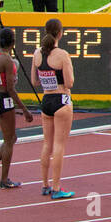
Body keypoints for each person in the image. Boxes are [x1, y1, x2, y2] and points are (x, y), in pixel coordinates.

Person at [31, 17, 75, 199]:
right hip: (62, 101)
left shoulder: (37, 54)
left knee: (47, 144)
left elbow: (34, 81)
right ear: (60, 33)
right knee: (59, 145)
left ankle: (45, 184)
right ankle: (56, 187)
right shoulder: (62, 55)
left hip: (46, 100)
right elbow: (70, 83)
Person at [0, 27, 33, 190]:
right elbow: (11, 89)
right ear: (13, 42)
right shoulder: (7, 61)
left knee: (10, 139)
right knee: (10, 139)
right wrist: (25, 110)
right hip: (4, 99)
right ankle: (4, 179)